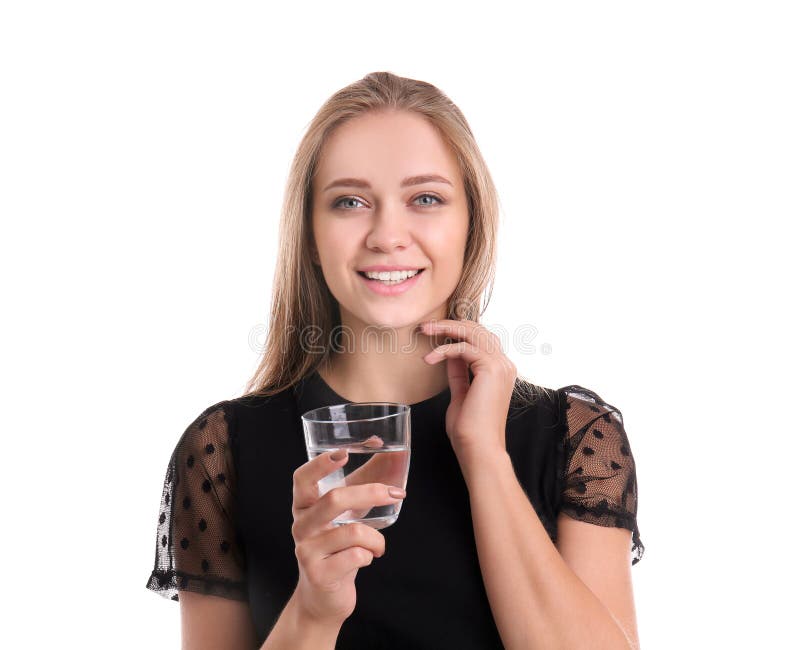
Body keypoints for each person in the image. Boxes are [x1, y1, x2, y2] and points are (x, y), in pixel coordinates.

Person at [146, 71, 645, 649]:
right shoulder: (221, 450)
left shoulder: (575, 437)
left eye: (426, 198)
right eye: (350, 201)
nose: (387, 234)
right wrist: (313, 609)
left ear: (471, 223)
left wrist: (483, 453)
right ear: (309, 231)